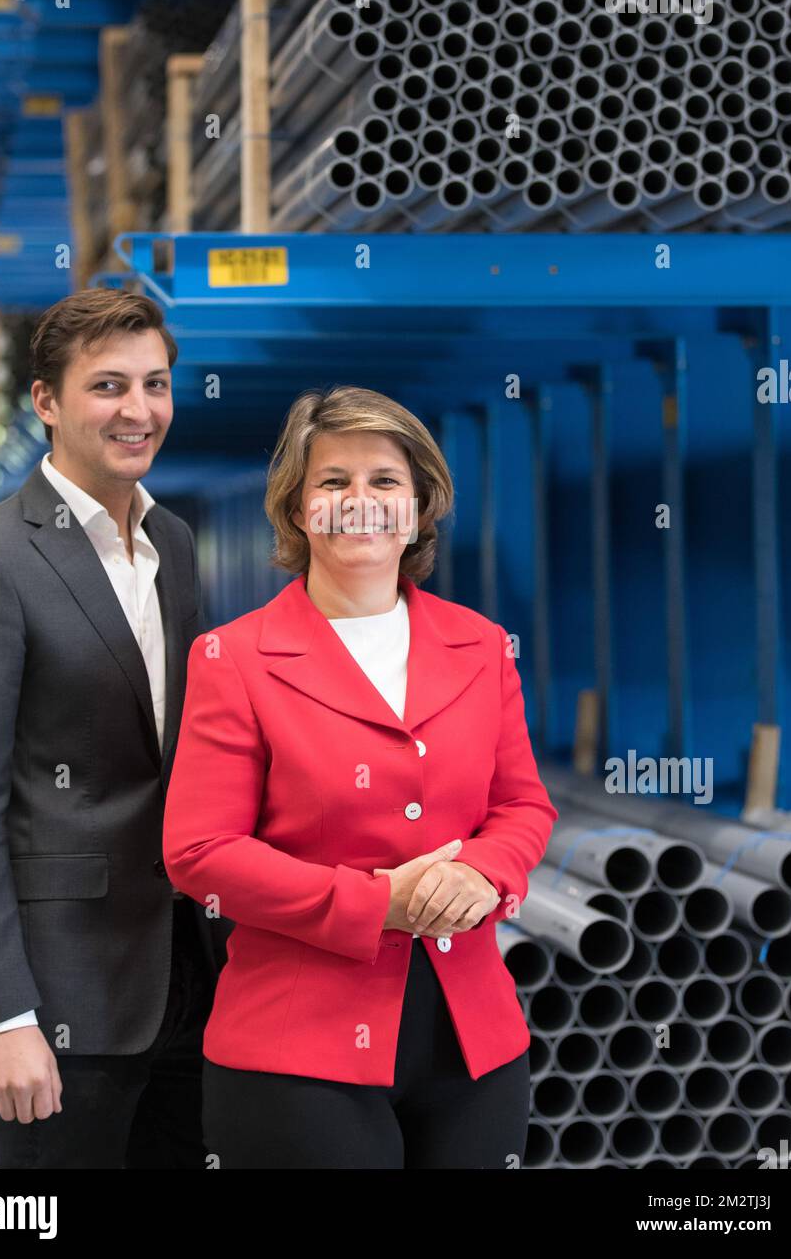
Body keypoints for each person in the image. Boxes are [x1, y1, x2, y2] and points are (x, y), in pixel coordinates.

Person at [163, 384, 559, 1169]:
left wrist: (486, 870)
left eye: (384, 482)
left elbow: (521, 803)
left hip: (472, 1043)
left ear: (416, 508)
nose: (360, 501)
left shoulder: (479, 646)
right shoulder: (235, 658)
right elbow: (199, 850)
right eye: (333, 481)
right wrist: (377, 904)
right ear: (297, 508)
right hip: (298, 1053)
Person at [0, 287, 230, 1169]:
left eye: (156, 384)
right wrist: (4, 1016)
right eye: (107, 387)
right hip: (57, 1000)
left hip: (185, 980)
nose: (139, 410)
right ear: (47, 402)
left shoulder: (172, 542)